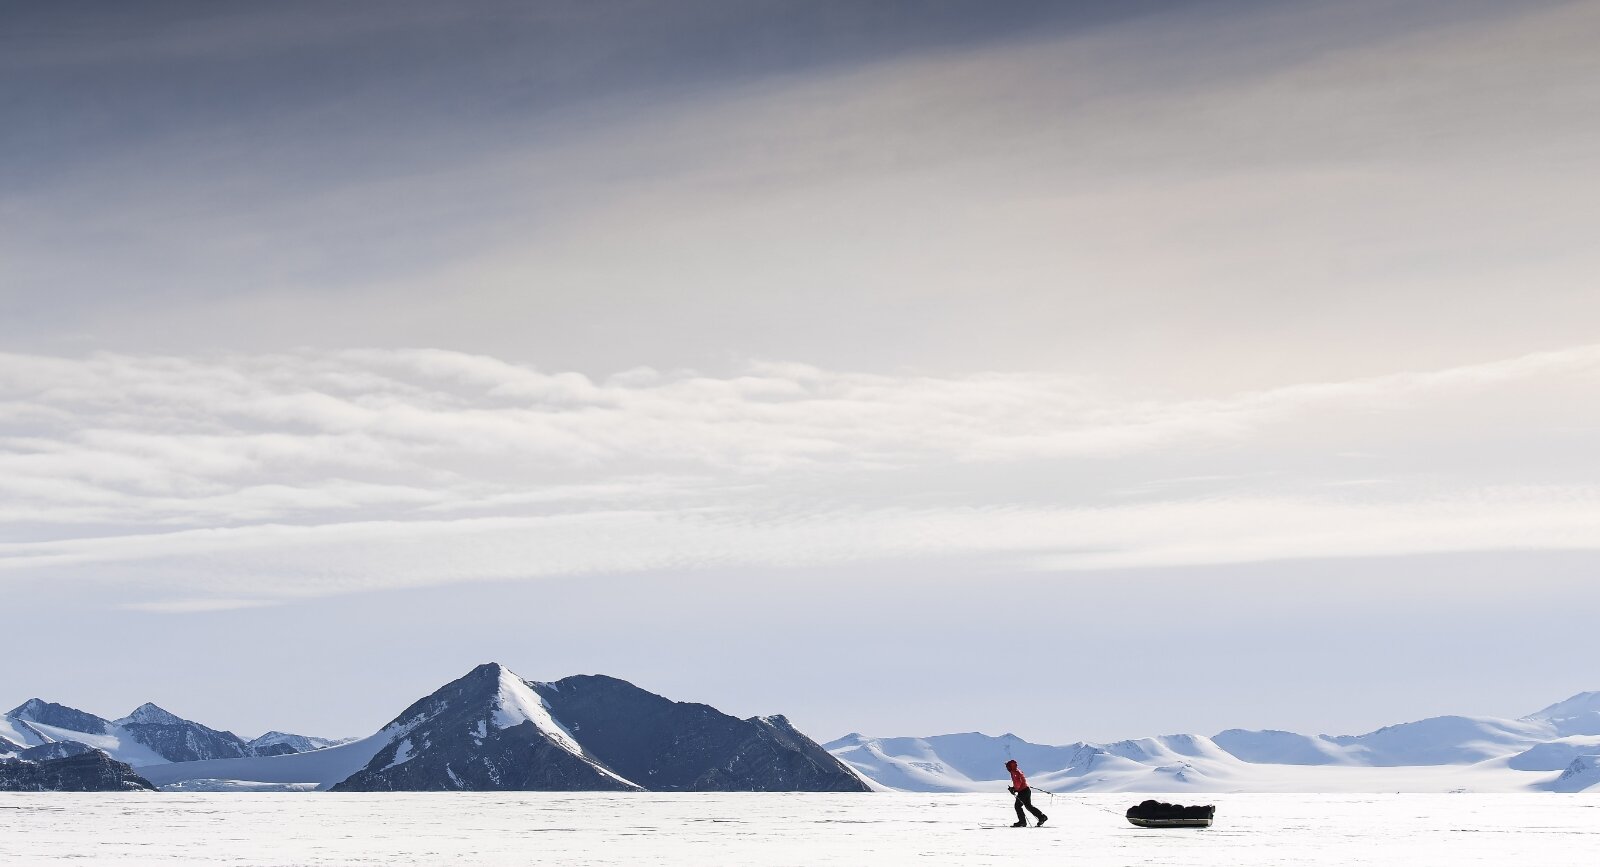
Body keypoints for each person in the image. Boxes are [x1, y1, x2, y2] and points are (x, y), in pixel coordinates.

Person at [1005, 759, 1048, 827]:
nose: (1006, 768)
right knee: (1028, 806)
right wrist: (1014, 789)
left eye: (1007, 766)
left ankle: (1022, 822)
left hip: (1023, 791)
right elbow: (1019, 782)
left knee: (1017, 806)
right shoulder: (1017, 771)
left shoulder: (1015, 772)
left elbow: (1018, 783)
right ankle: (1042, 817)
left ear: (1010, 766)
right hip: (1026, 790)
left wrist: (1014, 789)